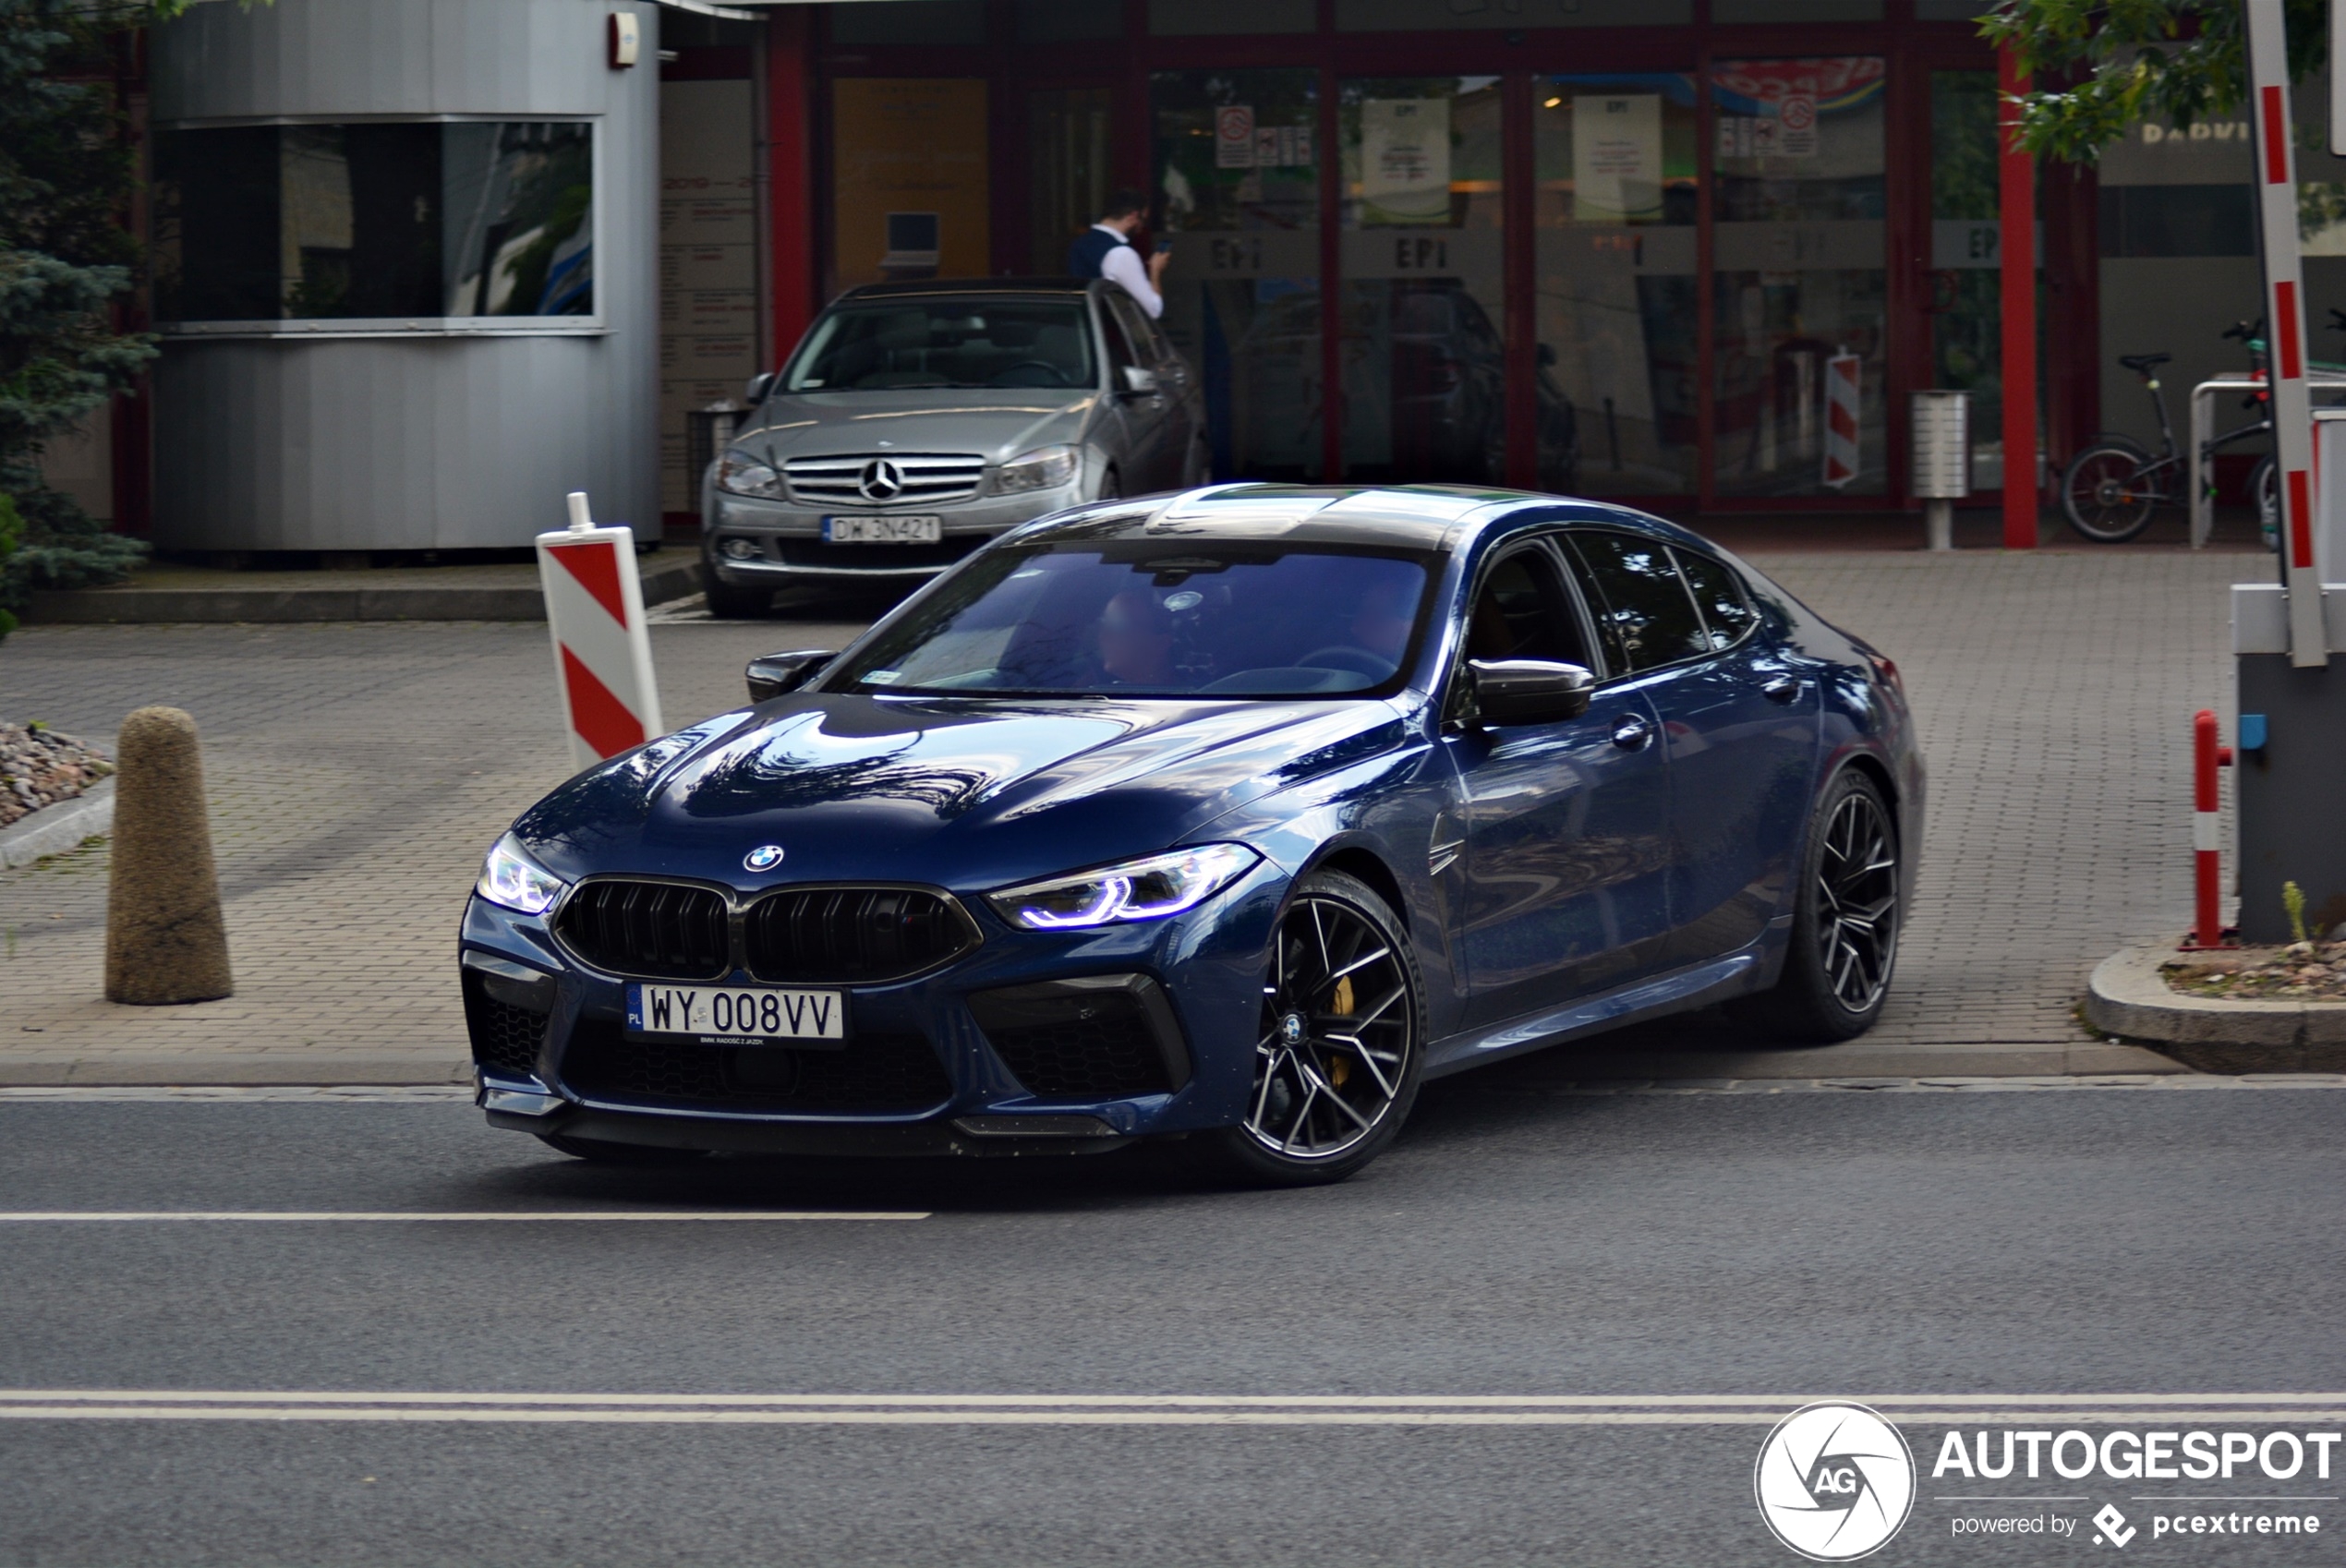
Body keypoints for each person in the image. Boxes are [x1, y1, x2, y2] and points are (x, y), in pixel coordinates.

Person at [1066, 189, 1169, 320]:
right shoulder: (1121, 254)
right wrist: (1155, 271)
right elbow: (1152, 311)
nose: (1142, 228)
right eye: (1143, 220)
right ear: (1132, 216)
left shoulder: (1079, 244)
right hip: (1107, 327)